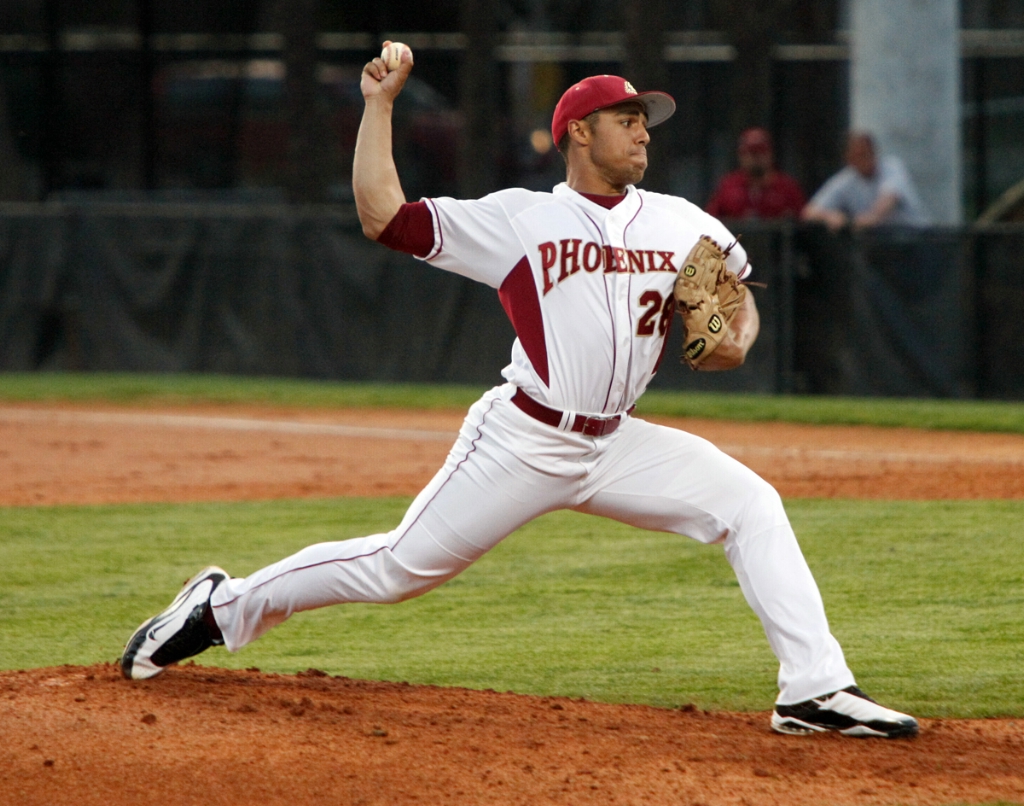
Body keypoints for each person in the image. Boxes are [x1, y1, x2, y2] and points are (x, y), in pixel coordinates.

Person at [119, 50, 919, 740]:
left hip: (617, 443)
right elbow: (383, 216)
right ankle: (219, 609)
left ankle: (813, 690)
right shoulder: (522, 221)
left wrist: (735, 334)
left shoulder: (679, 222)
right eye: (626, 118)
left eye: (647, 120)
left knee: (751, 504)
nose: (644, 132)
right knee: (397, 569)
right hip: (524, 438)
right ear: (579, 131)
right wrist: (377, 107)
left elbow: (738, 294)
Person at [801, 131, 931, 230]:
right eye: (857, 156)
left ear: (874, 152)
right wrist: (830, 217)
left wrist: (849, 223)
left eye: (866, 153)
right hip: (879, 245)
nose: (864, 160)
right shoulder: (846, 179)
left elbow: (881, 210)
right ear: (848, 159)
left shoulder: (892, 167)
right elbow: (809, 213)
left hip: (913, 239)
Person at [705, 127, 806, 220]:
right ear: (741, 155)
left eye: (760, 152)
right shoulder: (728, 185)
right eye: (751, 153)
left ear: (770, 154)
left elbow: (803, 221)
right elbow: (709, 222)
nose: (756, 158)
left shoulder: (787, 187)